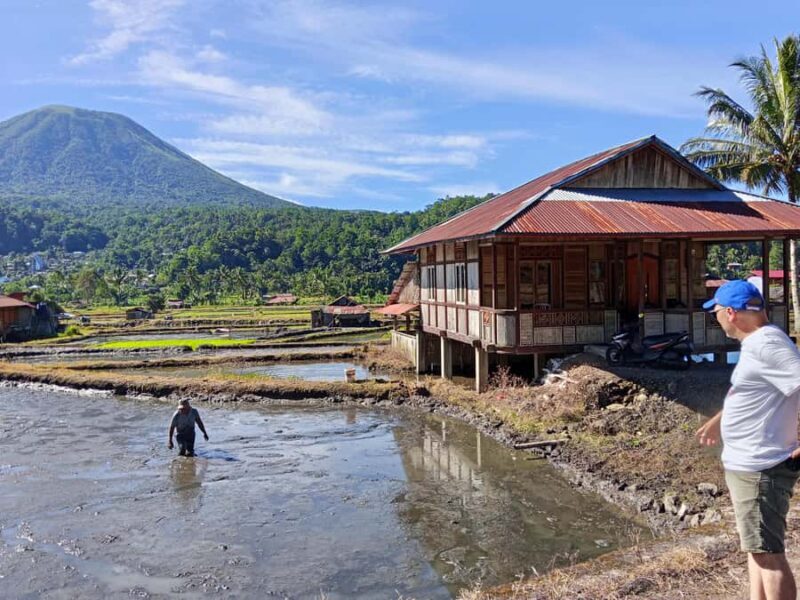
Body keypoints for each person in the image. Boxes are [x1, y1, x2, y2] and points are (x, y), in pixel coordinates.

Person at [695, 280, 800, 600]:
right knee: (757, 549)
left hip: (760, 467)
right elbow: (751, 391)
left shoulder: (767, 345)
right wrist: (720, 419)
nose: (716, 319)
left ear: (730, 313)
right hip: (750, 465)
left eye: (715, 313)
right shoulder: (759, 342)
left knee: (769, 555)